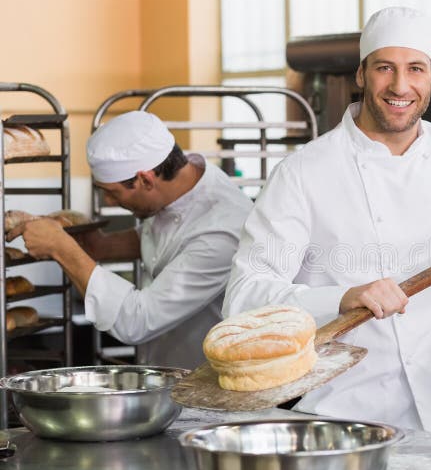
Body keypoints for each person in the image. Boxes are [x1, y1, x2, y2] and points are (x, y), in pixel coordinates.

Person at [223, 6, 431, 436]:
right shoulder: (305, 172)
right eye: (385, 68)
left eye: (415, 69)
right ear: (362, 74)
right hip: (348, 414)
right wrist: (342, 297)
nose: (400, 86)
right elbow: (244, 296)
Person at [9, 111, 253, 369]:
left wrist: (63, 249)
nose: (108, 202)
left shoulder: (223, 230)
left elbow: (137, 320)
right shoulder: (186, 182)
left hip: (208, 386)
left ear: (145, 179)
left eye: (112, 193)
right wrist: (103, 246)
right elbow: (172, 236)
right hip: (166, 372)